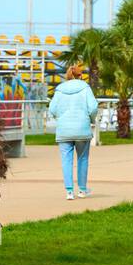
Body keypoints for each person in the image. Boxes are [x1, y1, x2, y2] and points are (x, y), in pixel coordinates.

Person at [48, 64, 98, 200]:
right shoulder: (85, 88)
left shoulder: (59, 90)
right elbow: (93, 107)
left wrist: (60, 118)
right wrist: (91, 119)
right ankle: (82, 190)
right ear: (80, 75)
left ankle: (69, 192)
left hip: (64, 130)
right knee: (83, 159)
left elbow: (52, 109)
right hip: (82, 129)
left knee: (66, 161)